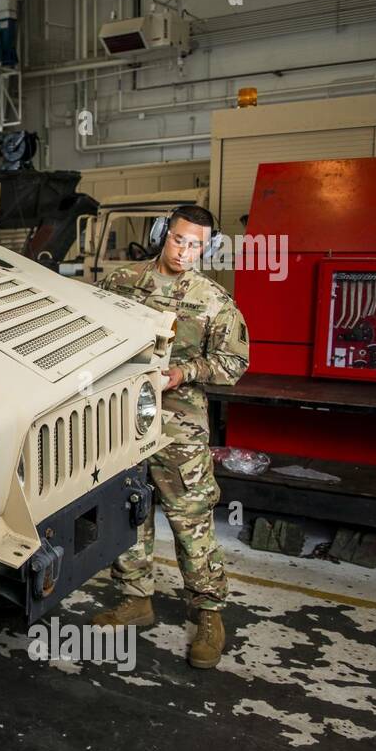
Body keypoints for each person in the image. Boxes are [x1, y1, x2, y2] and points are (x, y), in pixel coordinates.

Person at [91, 205, 249, 669]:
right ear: (163, 234)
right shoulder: (121, 284)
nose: (185, 251)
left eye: (197, 244)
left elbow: (234, 364)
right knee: (129, 514)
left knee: (190, 520)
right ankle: (135, 598)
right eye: (179, 239)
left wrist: (184, 371)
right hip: (121, 422)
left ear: (209, 248)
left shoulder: (214, 300)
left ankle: (208, 612)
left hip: (179, 429)